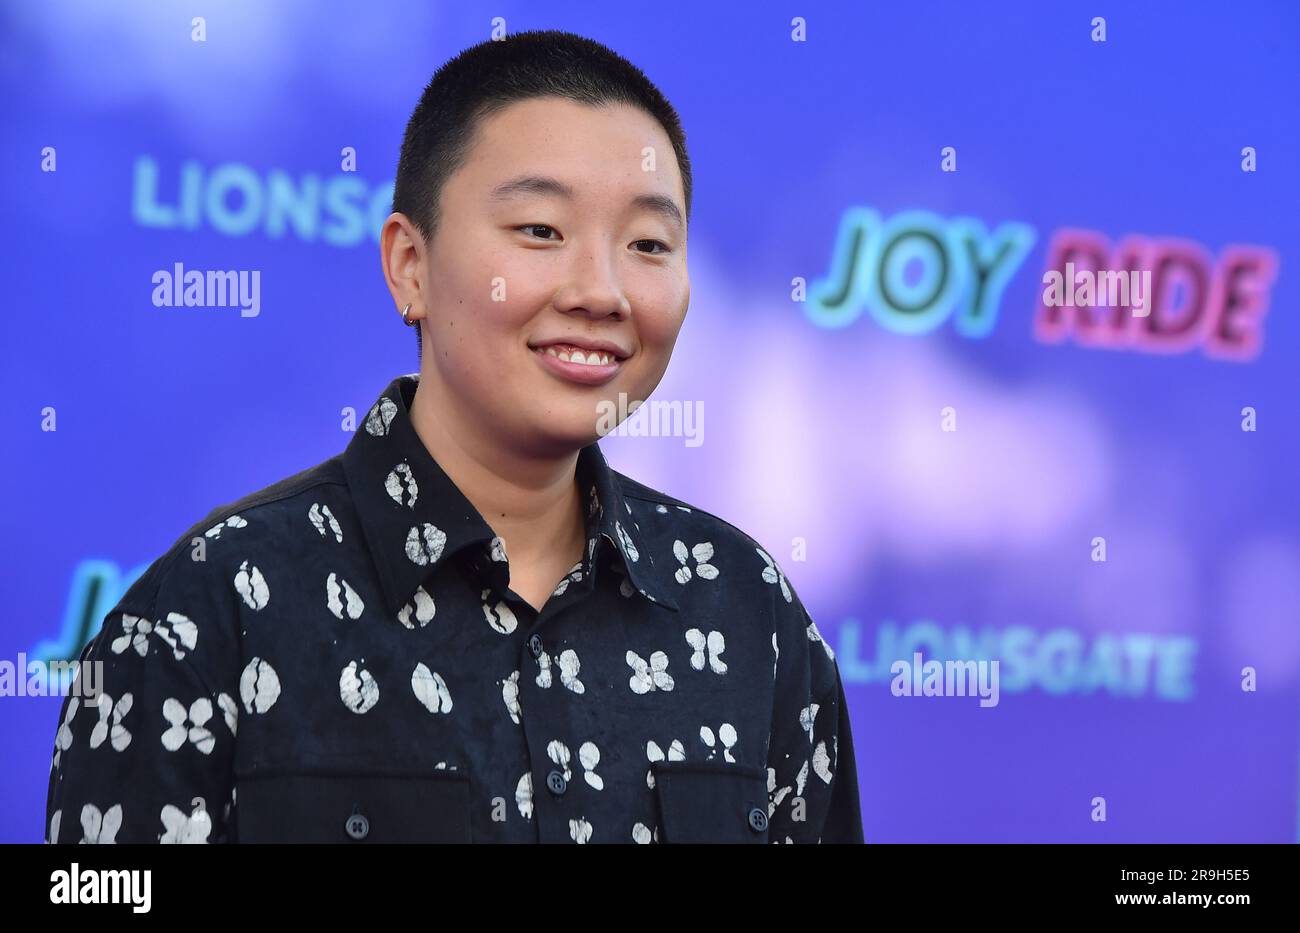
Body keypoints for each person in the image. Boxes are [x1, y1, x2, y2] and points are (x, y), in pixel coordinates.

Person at [45, 28, 863, 844]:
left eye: (648, 244)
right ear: (410, 264)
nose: (601, 290)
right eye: (541, 230)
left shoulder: (746, 610)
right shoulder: (211, 609)